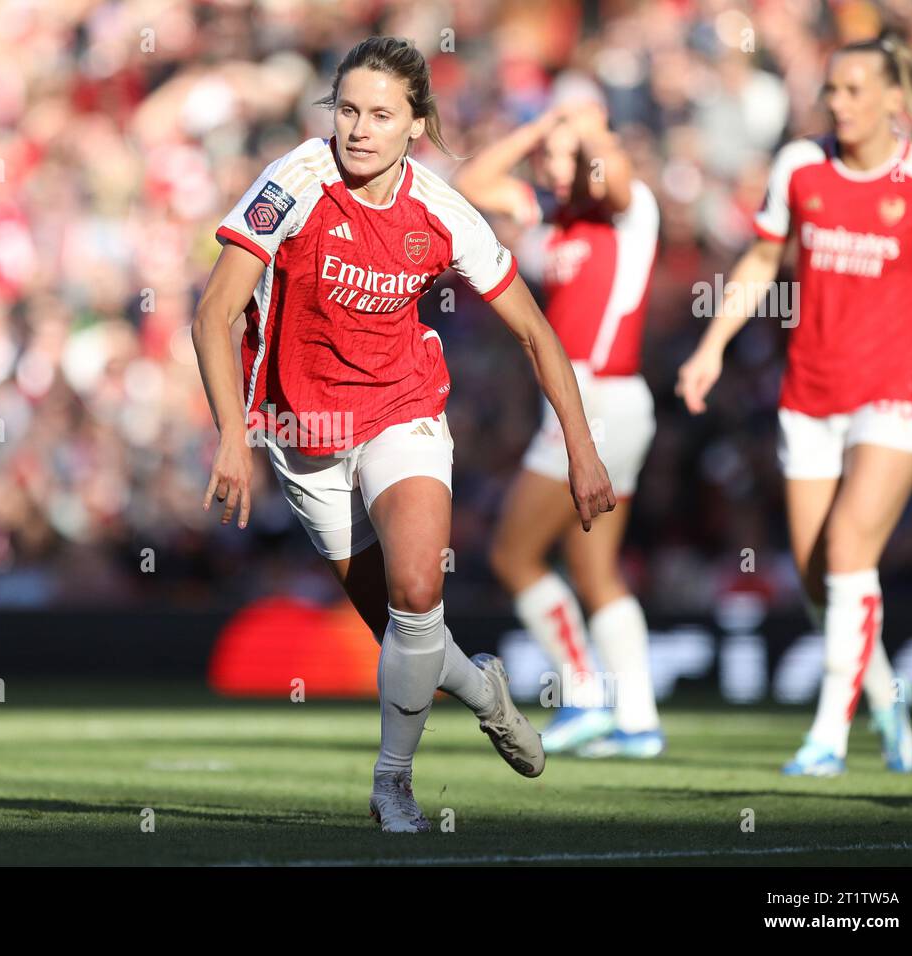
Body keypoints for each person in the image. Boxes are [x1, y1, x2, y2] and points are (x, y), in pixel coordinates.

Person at [192, 36, 616, 832]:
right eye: (347, 110)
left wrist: (582, 450)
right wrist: (231, 435)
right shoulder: (291, 184)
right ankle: (484, 688)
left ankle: (393, 783)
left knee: (420, 591)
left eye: (380, 115)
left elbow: (536, 333)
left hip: (403, 410)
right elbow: (213, 314)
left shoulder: (444, 213)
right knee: (402, 631)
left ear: (415, 125)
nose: (358, 128)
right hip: (301, 434)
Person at [676, 34, 912, 776]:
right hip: (812, 392)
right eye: (832, 89)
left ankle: (828, 731)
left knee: (849, 551)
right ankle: (892, 712)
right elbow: (765, 257)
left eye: (857, 89)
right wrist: (712, 348)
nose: (840, 103)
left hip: (899, 390)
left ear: (895, 98)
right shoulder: (800, 164)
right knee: (817, 574)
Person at [454, 93, 664, 758]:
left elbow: (618, 177)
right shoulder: (552, 216)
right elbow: (471, 185)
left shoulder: (626, 214)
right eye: (545, 158)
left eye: (560, 158)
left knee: (514, 555)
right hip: (596, 406)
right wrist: (542, 127)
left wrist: (589, 130)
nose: (548, 167)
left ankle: (583, 694)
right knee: (595, 570)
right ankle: (638, 720)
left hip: (599, 402)